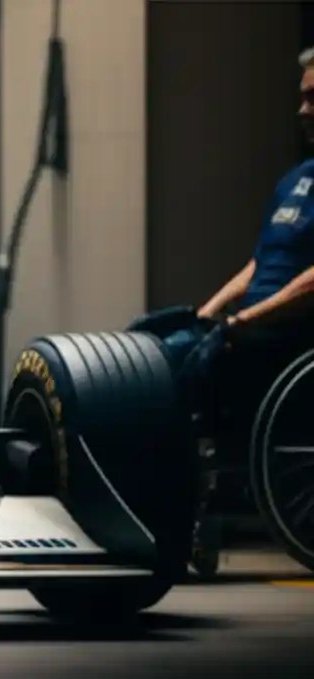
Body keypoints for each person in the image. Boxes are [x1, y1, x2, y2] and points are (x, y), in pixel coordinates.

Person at [136, 45, 314, 411]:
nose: (302, 110)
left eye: (313, 99)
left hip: (289, 337)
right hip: (249, 327)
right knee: (148, 344)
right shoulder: (293, 181)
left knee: (168, 371)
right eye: (302, 98)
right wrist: (209, 312)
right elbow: (259, 263)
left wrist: (243, 322)